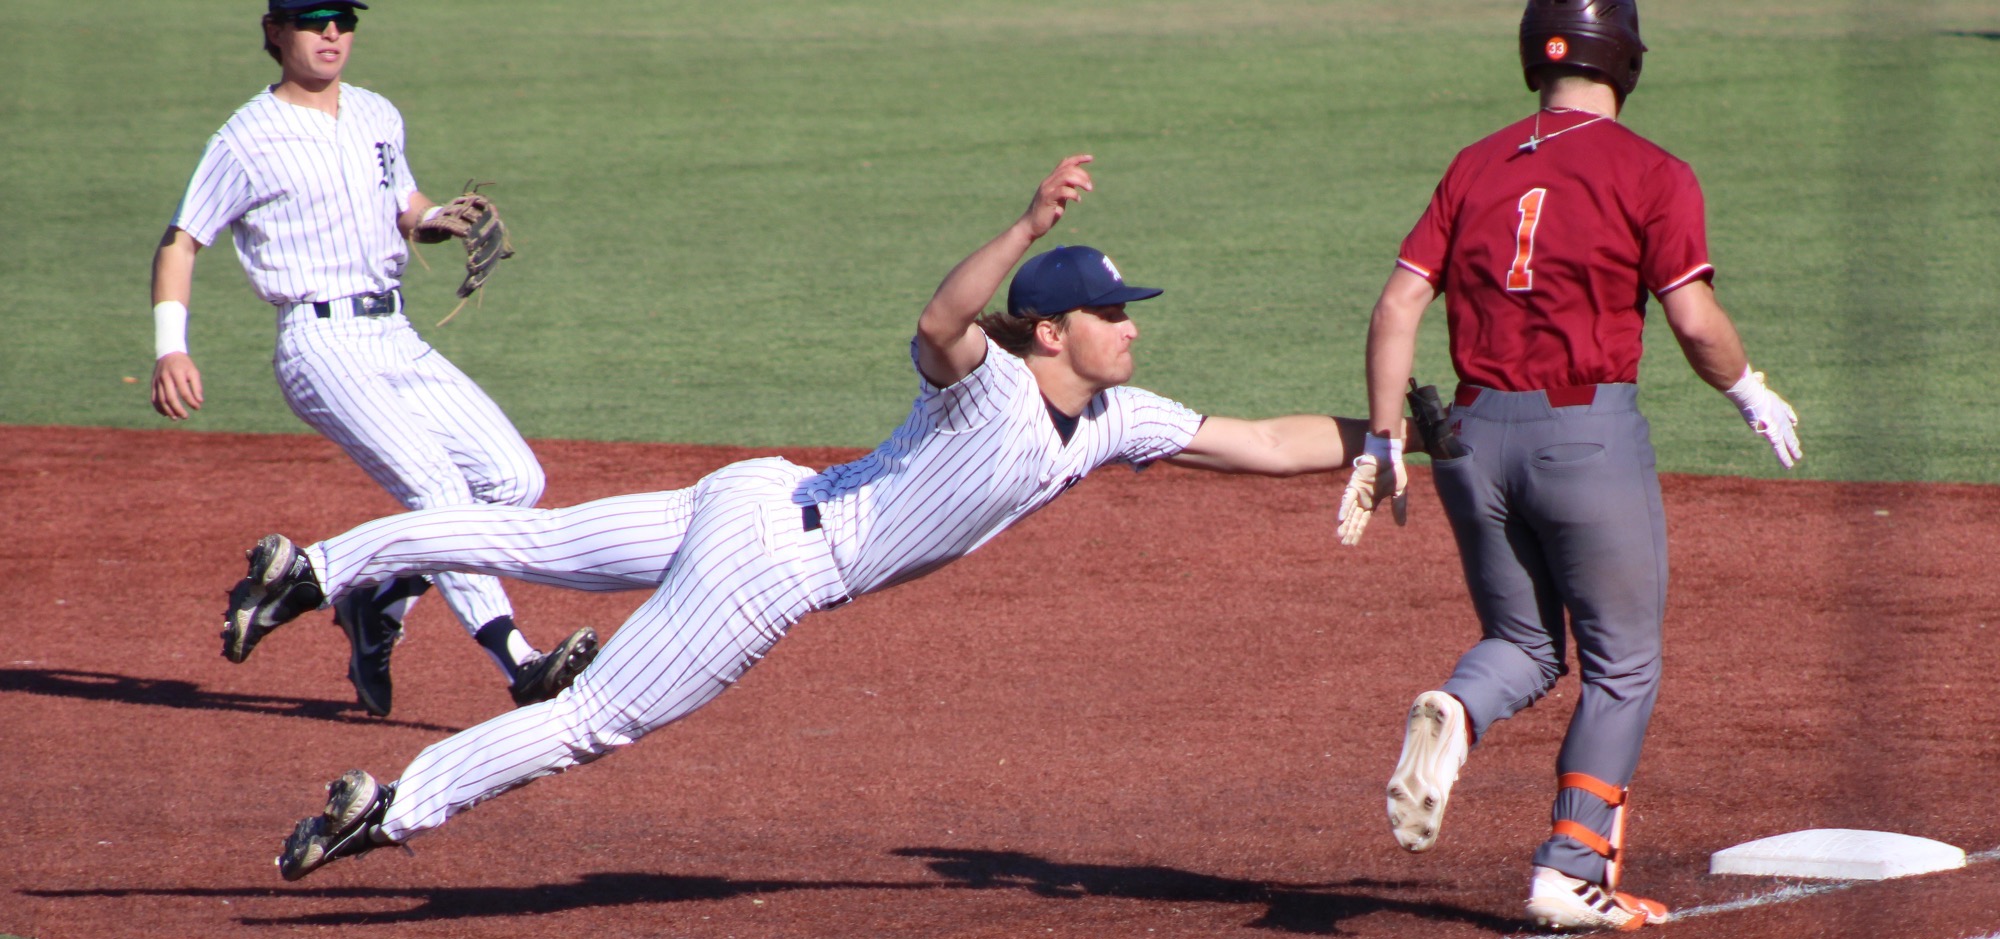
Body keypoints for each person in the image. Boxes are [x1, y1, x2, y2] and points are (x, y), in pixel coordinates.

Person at [241, 154, 1420, 881]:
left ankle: (315, 569)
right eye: (1112, 314)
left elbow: (1258, 441)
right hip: (772, 564)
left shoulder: (1116, 416)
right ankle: (392, 807)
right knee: (590, 718)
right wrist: (1023, 226)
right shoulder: (989, 387)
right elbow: (939, 319)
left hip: (759, 493)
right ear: (1053, 329)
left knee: (527, 541)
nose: (1133, 326)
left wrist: (1389, 431)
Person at [1337, 0, 1802, 931]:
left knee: (1525, 644)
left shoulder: (1476, 163)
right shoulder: (1652, 171)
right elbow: (1693, 318)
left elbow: (1396, 308)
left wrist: (1386, 439)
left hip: (1467, 441)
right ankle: (1570, 863)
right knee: (1622, 664)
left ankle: (1456, 712)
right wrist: (1749, 389)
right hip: (1585, 438)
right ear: (1626, 59)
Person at [152, 0, 596, 718]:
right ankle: (519, 664)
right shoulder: (245, 139)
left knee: (515, 481)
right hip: (320, 346)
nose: (332, 32)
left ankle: (378, 595)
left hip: (394, 334)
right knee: (441, 492)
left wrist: (433, 217)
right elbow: (180, 240)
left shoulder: (376, 114)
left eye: (343, 18)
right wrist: (171, 349)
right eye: (311, 18)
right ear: (274, 33)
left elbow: (401, 199)